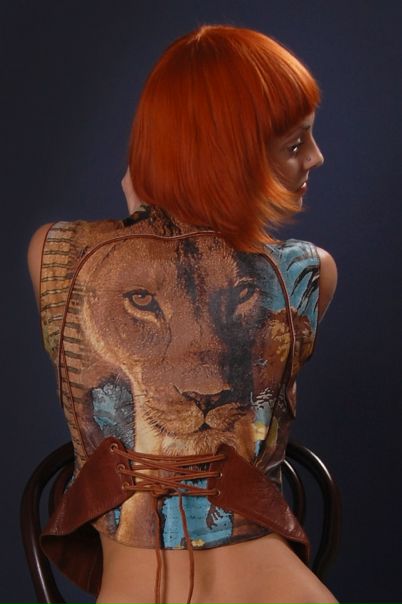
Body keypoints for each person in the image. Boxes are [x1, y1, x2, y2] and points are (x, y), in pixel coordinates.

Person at [28, 24, 338, 604]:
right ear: (229, 152)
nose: (317, 158)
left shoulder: (58, 252)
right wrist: (156, 227)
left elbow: (185, 259)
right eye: (296, 143)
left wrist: (146, 217)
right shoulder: (305, 270)